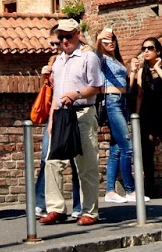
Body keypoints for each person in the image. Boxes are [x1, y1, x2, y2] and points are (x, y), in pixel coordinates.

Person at [39, 18, 104, 225]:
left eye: (68, 36)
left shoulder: (88, 57)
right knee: (52, 162)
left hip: (83, 112)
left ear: (77, 33)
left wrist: (76, 94)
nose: (64, 40)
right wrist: (51, 120)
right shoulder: (59, 60)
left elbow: (97, 87)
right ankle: (56, 208)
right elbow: (56, 92)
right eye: (61, 37)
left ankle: (89, 211)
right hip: (60, 115)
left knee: (85, 165)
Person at [33, 33, 80, 218]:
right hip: (56, 113)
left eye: (57, 42)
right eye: (52, 43)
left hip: (75, 111)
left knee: (77, 161)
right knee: (47, 158)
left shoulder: (77, 57)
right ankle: (42, 202)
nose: (55, 46)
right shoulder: (54, 60)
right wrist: (46, 77)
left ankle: (79, 206)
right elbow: (48, 92)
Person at [129, 37, 162, 198]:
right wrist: (136, 116)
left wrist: (158, 69)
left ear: (158, 51)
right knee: (147, 151)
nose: (146, 51)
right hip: (148, 114)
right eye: (144, 48)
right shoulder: (142, 70)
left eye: (150, 48)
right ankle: (149, 188)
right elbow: (139, 95)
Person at [96, 26, 135, 203]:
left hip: (123, 99)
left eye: (112, 39)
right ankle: (130, 190)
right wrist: (99, 39)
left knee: (117, 148)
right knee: (127, 146)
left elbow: (128, 86)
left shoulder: (116, 59)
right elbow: (94, 55)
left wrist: (132, 71)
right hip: (111, 100)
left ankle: (110, 191)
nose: (109, 42)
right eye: (106, 40)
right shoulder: (101, 58)